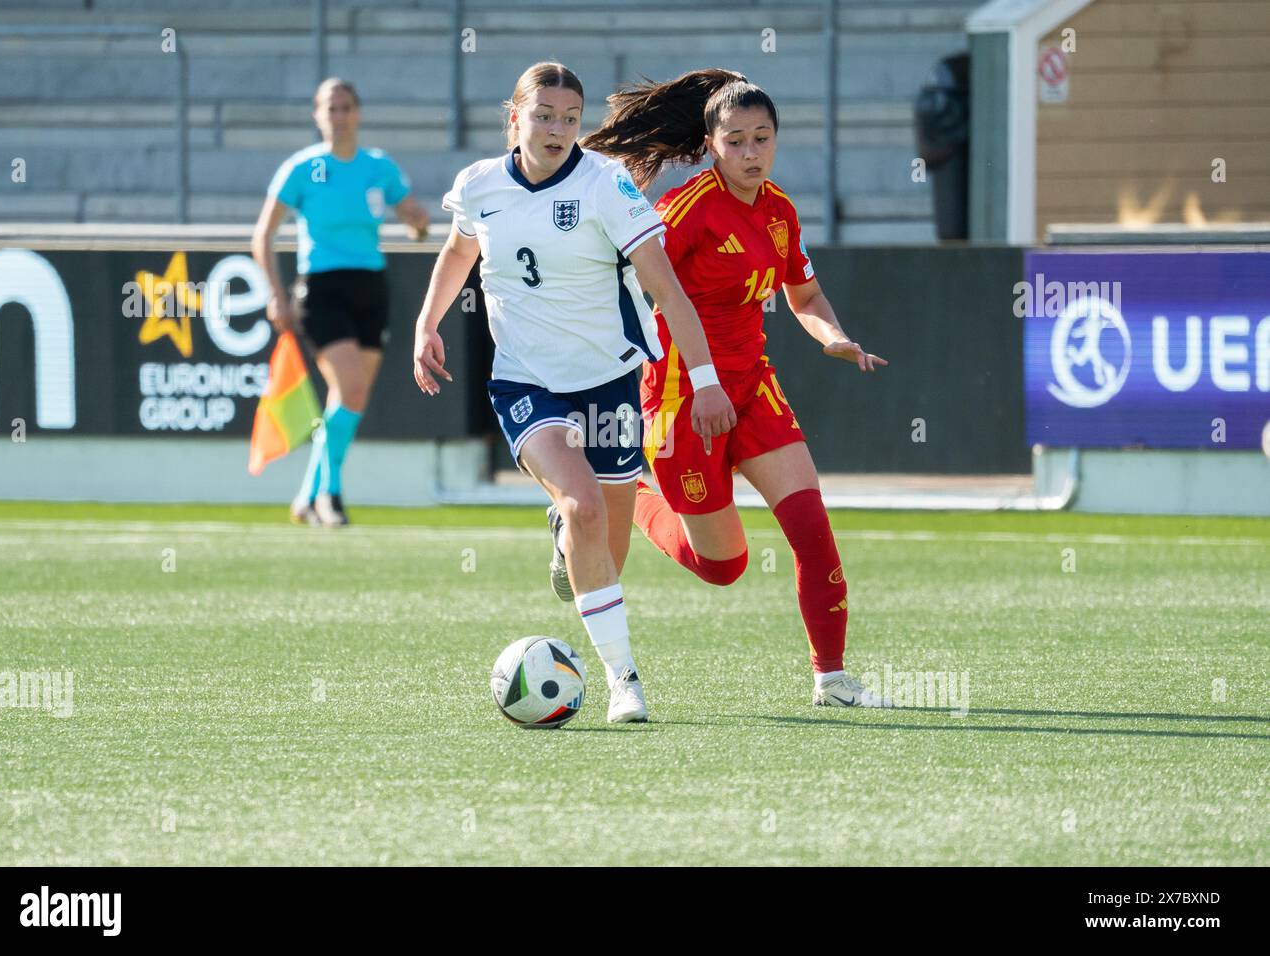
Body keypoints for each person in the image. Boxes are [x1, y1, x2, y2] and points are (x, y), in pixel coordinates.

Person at [412, 62, 735, 723]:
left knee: (605, 550)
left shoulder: (606, 185)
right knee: (585, 505)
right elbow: (456, 252)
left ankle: (567, 534)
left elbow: (667, 291)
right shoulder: (478, 187)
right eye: (542, 115)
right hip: (525, 381)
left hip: (611, 379)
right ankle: (624, 682)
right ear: (514, 117)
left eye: (568, 118)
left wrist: (704, 381)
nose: (556, 128)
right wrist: (427, 321)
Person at [581, 69, 890, 708]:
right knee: (725, 568)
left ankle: (830, 677)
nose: (751, 153)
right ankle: (637, 498)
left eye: (762, 138)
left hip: (752, 388)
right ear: (712, 146)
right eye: (737, 142)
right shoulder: (687, 209)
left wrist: (831, 335)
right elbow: (635, 284)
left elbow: (804, 293)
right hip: (681, 399)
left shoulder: (780, 210)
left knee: (812, 526)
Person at [252, 77, 430, 526]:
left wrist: (418, 221)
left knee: (348, 399)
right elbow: (263, 234)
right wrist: (276, 293)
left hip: (369, 287)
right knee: (348, 389)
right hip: (322, 288)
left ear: (359, 113)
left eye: (347, 107)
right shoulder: (302, 167)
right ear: (317, 115)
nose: (339, 115)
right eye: (330, 108)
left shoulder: (377, 166)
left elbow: (412, 216)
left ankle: (306, 495)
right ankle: (328, 495)